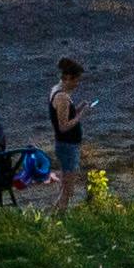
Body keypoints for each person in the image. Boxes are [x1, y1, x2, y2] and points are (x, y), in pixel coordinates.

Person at [47, 57, 91, 207]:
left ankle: (55, 215)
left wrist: (78, 108)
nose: (77, 84)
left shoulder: (57, 91)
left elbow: (63, 115)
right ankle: (60, 217)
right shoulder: (62, 97)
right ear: (67, 78)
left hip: (65, 145)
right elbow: (63, 126)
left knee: (65, 186)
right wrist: (81, 114)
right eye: (76, 80)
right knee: (68, 189)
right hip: (67, 146)